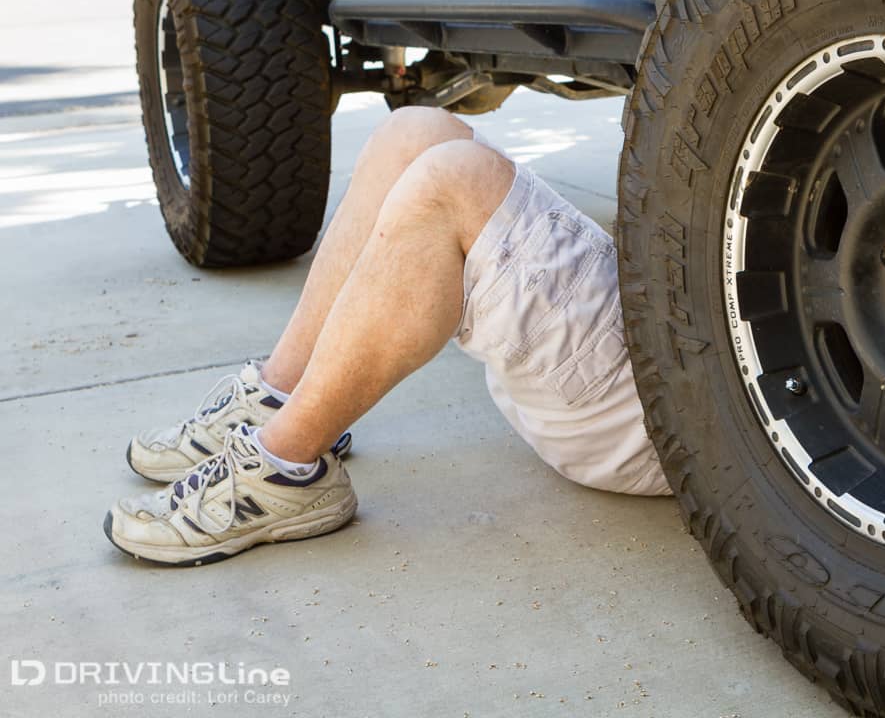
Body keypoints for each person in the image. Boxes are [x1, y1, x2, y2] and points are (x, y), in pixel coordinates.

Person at [104, 107, 671, 566]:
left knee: (451, 183)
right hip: (637, 335)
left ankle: (283, 468)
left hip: (654, 406)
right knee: (415, 133)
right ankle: (284, 394)